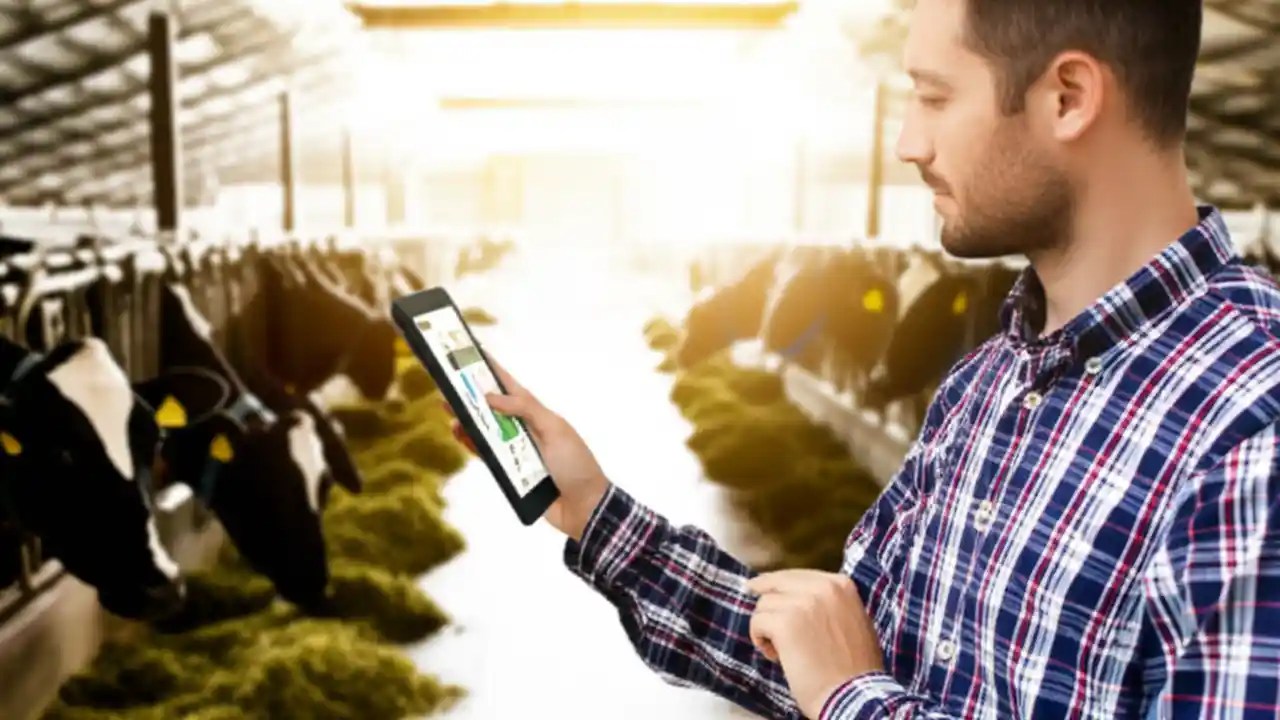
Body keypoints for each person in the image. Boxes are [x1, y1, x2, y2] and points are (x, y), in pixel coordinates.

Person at [445, 0, 1280, 717]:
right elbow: (812, 655)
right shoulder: (985, 386)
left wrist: (853, 699)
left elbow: (842, 685)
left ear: (1067, 96)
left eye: (934, 96)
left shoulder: (1251, 436)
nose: (910, 143)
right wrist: (592, 509)